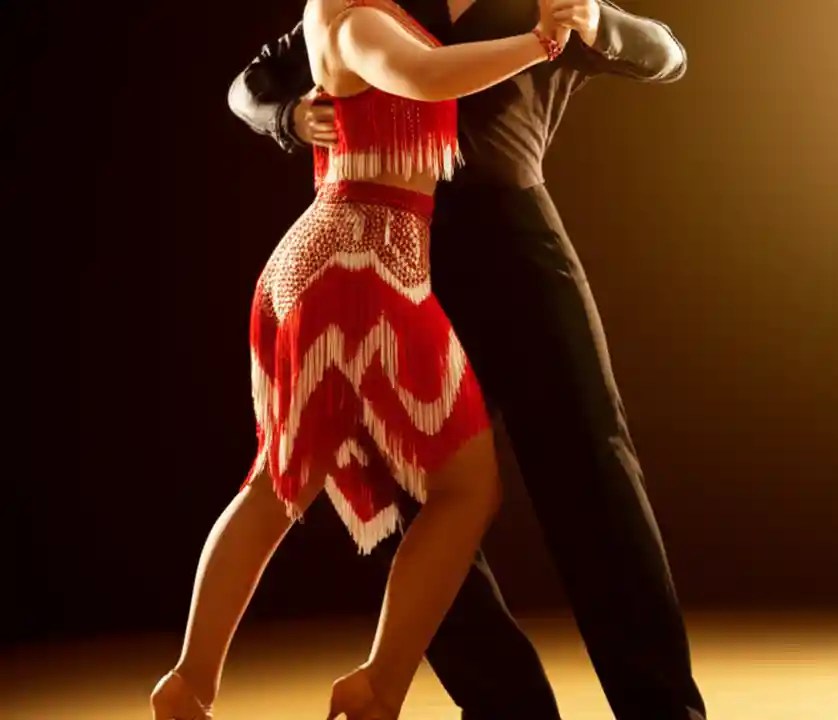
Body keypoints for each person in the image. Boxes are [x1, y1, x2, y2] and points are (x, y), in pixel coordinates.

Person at [228, 1, 706, 719]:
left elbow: (667, 55)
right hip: (395, 261)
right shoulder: (375, 2)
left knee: (595, 474)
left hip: (518, 246)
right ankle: (507, 707)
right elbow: (251, 86)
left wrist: (597, 21)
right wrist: (290, 118)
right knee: (403, 498)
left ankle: (662, 709)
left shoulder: (546, 2)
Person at [150, 1, 575, 718]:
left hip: (345, 256)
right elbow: (426, 75)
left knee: (280, 484)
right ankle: (372, 686)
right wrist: (538, 44)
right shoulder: (354, 20)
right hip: (361, 263)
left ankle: (196, 683)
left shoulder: (358, 12)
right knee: (461, 487)